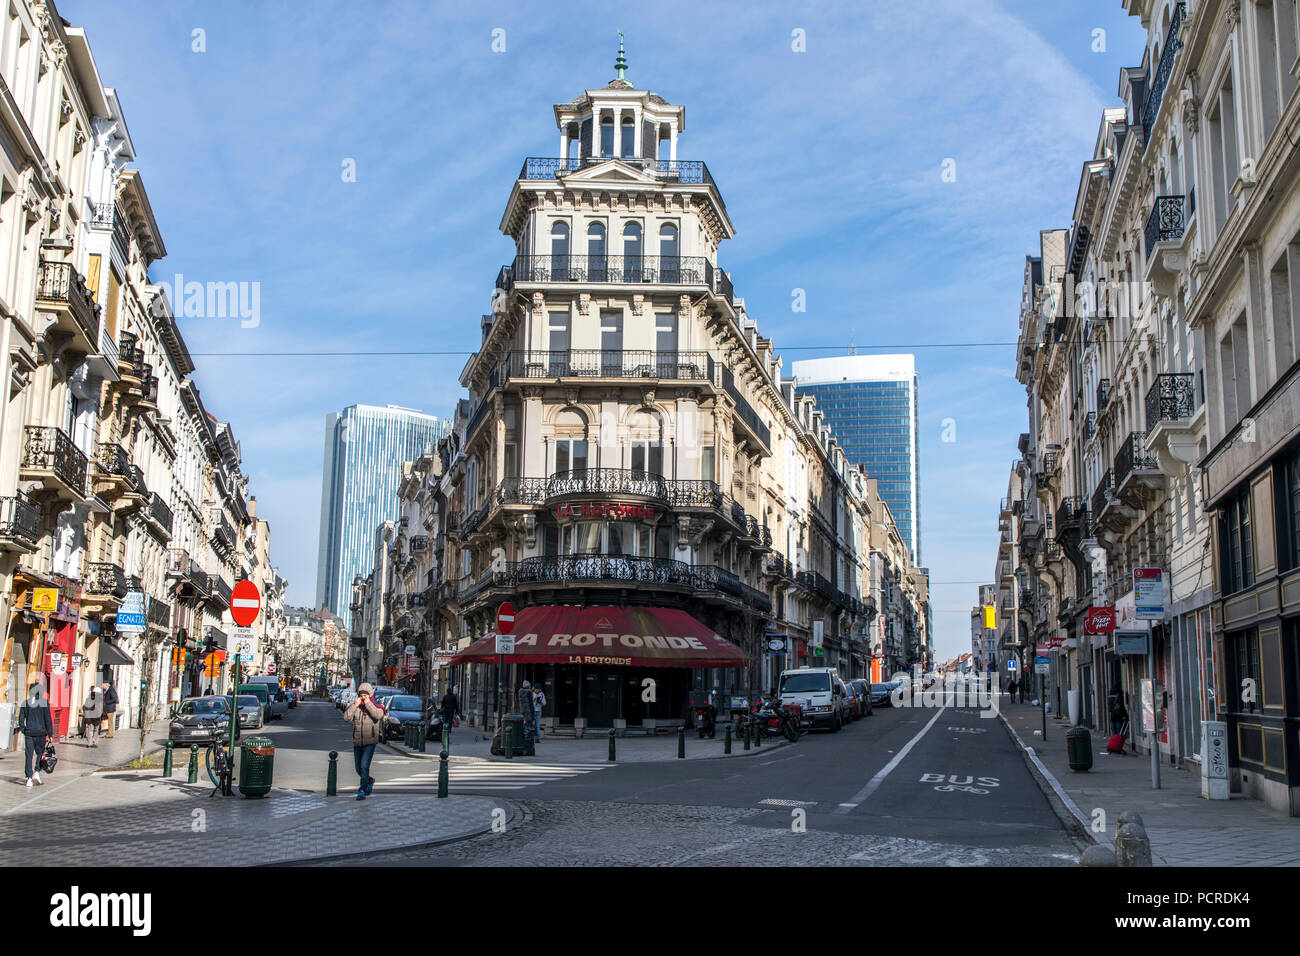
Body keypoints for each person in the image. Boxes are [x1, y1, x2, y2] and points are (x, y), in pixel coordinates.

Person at [343, 682, 385, 799]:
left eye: (365, 695)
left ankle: (362, 789)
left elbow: (378, 715)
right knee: (358, 768)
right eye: (361, 695)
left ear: (370, 695)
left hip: (370, 742)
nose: (363, 698)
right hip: (357, 741)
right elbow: (346, 717)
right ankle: (369, 781)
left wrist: (368, 704)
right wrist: (354, 705)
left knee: (364, 766)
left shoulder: (377, 706)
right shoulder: (357, 708)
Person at [18, 683, 54, 787]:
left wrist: (23, 730)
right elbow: (48, 719)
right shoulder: (44, 703)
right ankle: (37, 772)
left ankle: (29, 778)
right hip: (41, 733)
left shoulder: (25, 703)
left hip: (29, 733)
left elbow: (21, 719)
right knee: (40, 754)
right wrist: (50, 734)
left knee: (28, 756)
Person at [82, 682, 104, 748]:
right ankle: (95, 742)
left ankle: (90, 742)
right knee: (96, 730)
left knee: (90, 729)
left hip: (90, 716)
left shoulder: (89, 699)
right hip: (97, 716)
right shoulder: (100, 699)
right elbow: (102, 708)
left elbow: (85, 707)